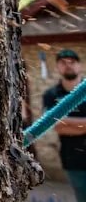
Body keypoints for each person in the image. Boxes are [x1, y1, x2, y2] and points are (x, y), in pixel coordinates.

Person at [43, 48, 86, 201]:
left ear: (79, 65)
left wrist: (68, 122)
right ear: (58, 67)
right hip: (73, 159)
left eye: (72, 62)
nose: (68, 65)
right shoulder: (51, 95)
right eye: (63, 62)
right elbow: (57, 126)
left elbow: (62, 123)